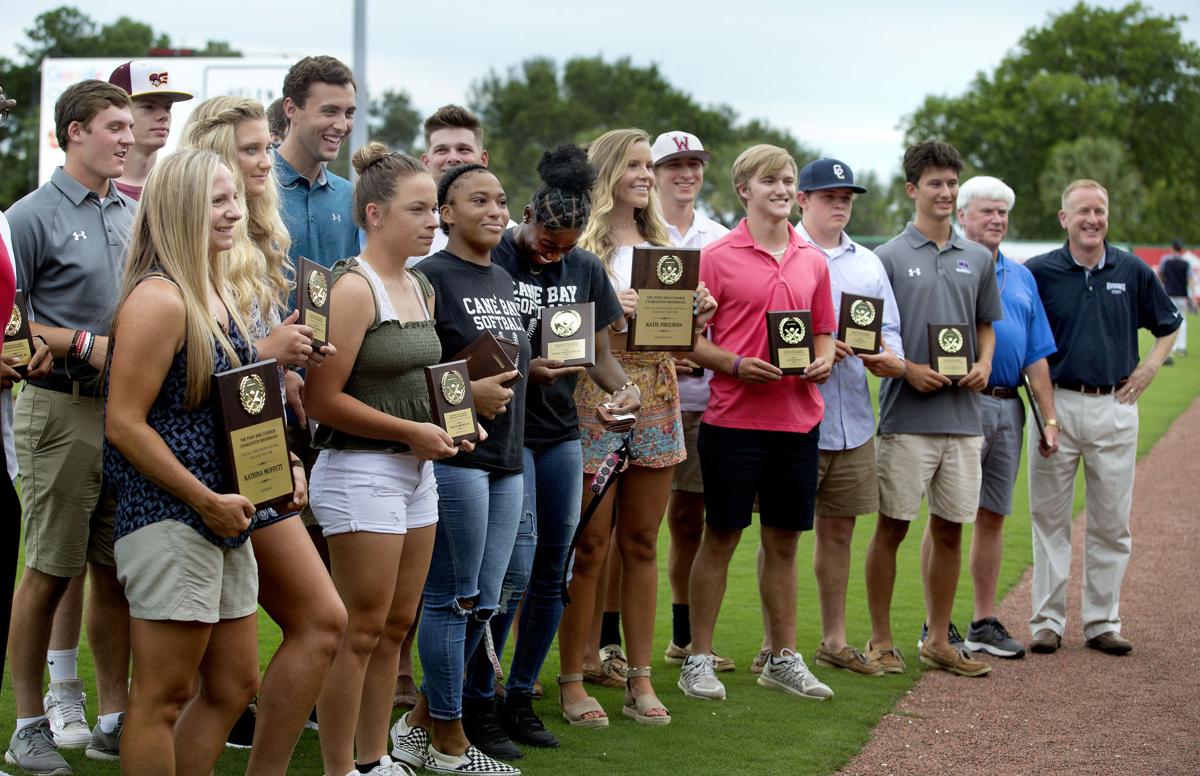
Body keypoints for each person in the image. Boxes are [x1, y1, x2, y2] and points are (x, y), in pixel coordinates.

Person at [103, 147, 304, 775]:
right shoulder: (160, 298)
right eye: (218, 200)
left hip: (224, 513)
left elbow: (235, 407)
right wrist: (204, 499)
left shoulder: (212, 288)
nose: (234, 212)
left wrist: (282, 469)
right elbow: (123, 424)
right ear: (182, 207)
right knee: (161, 698)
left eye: (235, 199)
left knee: (233, 681)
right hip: (172, 515)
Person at [181, 95, 347, 774]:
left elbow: (252, 370)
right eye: (250, 150)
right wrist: (267, 355)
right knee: (210, 682)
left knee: (319, 622)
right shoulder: (187, 241)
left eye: (262, 148)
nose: (264, 161)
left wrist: (286, 388)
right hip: (194, 464)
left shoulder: (258, 236)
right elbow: (191, 367)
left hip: (253, 451)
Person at [462, 144, 641, 750]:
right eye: (546, 238)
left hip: (561, 435)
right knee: (511, 572)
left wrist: (626, 394)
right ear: (532, 214)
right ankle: (478, 698)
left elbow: (598, 353)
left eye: (564, 245)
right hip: (505, 438)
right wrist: (525, 369)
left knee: (554, 569)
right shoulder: (492, 258)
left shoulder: (584, 268)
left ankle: (521, 694)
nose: (552, 253)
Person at [304, 142, 463, 776]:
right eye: (420, 210)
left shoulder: (420, 284)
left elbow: (419, 380)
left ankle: (375, 759)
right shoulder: (352, 286)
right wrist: (410, 430)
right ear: (374, 213)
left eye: (435, 210)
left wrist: (459, 411)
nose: (434, 221)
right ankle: (340, 766)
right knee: (360, 629)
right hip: (359, 471)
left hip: (414, 470)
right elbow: (322, 399)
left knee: (395, 627)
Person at [5, 80, 135, 773]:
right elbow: (8, 320)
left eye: (127, 127)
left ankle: (116, 717)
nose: (127, 136)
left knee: (113, 570)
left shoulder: (126, 209)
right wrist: (81, 344)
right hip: (58, 406)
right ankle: (29, 726)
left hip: (125, 412)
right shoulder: (28, 215)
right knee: (49, 571)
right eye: (113, 126)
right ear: (73, 132)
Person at [677, 144, 835, 703]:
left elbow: (824, 329)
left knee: (785, 543)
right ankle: (697, 657)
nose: (783, 189)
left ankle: (782, 658)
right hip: (733, 420)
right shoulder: (716, 257)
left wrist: (822, 357)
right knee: (719, 536)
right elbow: (688, 341)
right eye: (770, 180)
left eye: (789, 179)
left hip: (797, 421)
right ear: (744, 189)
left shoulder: (812, 258)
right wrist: (736, 364)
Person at [388, 162, 526, 776]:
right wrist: (469, 393)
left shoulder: (503, 277)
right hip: (456, 455)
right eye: (479, 200)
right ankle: (448, 739)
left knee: (489, 599)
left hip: (507, 457)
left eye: (501, 200)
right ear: (446, 213)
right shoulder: (426, 279)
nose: (496, 210)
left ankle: (419, 720)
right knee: (453, 599)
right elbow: (408, 372)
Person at [555, 128, 689, 728]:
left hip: (658, 394)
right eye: (634, 164)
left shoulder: (665, 241)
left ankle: (639, 678)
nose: (645, 174)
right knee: (589, 543)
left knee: (641, 542)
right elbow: (564, 338)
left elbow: (678, 339)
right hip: (593, 397)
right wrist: (616, 311)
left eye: (648, 165)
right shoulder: (578, 247)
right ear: (607, 171)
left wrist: (692, 314)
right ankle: (572, 678)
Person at [1025, 179, 1181, 657]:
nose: (1092, 220)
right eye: (1083, 211)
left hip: (1115, 406)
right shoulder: (1040, 272)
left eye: (1100, 211)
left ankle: (1101, 622)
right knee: (1049, 519)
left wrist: (1151, 366)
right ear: (1063, 218)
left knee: (1112, 523)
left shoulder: (1131, 269)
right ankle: (1047, 622)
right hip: (1057, 408)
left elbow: (1169, 325)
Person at [864, 140, 1001, 678]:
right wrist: (906, 370)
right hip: (906, 418)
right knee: (892, 528)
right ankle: (879, 640)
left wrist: (986, 363)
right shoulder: (887, 258)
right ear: (912, 189)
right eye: (935, 183)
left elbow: (986, 324)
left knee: (950, 530)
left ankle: (939, 640)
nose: (945, 193)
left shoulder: (979, 257)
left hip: (964, 418)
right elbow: (869, 337)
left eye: (951, 183)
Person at [784, 158, 905, 677]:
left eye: (846, 196)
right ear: (802, 200)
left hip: (853, 417)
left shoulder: (868, 263)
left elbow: (892, 334)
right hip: (790, 414)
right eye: (828, 195)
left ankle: (834, 639)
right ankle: (776, 646)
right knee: (782, 535)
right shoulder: (784, 254)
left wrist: (886, 357)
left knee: (839, 533)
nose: (839, 203)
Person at [954, 176, 1059, 660]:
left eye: (1002, 213)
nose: (997, 220)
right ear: (962, 216)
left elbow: (1036, 355)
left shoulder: (1021, 276)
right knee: (948, 515)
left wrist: (1050, 418)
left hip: (1009, 404)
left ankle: (981, 621)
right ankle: (937, 625)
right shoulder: (949, 265)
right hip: (956, 400)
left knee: (992, 514)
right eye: (987, 212)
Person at [649, 130, 734, 670]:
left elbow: (729, 326)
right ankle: (606, 642)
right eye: (674, 163)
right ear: (653, 172)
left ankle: (684, 636)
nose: (686, 173)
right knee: (626, 528)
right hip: (641, 396)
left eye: (695, 164)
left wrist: (695, 354)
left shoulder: (719, 239)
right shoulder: (637, 230)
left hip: (703, 398)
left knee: (689, 519)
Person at [275, 56, 359, 269]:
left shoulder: (348, 196)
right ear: (291, 109)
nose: (341, 125)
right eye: (329, 111)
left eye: (349, 113)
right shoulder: (254, 186)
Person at [410, 104, 497, 263]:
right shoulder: (405, 230)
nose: (453, 158)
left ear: (483, 160)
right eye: (441, 150)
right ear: (425, 162)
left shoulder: (505, 229)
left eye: (463, 149)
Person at [107, 60, 194, 201]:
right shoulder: (95, 188)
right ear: (117, 112)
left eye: (167, 107)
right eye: (148, 107)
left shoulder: (181, 188)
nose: (164, 116)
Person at [1158, 239, 1190, 357]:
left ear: (1172, 248)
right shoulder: (1186, 263)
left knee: (1170, 321)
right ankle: (1181, 348)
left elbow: (1160, 275)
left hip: (1169, 294)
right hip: (1182, 295)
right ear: (1181, 249)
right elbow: (1189, 280)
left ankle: (1171, 347)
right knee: (1183, 320)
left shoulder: (1166, 261)